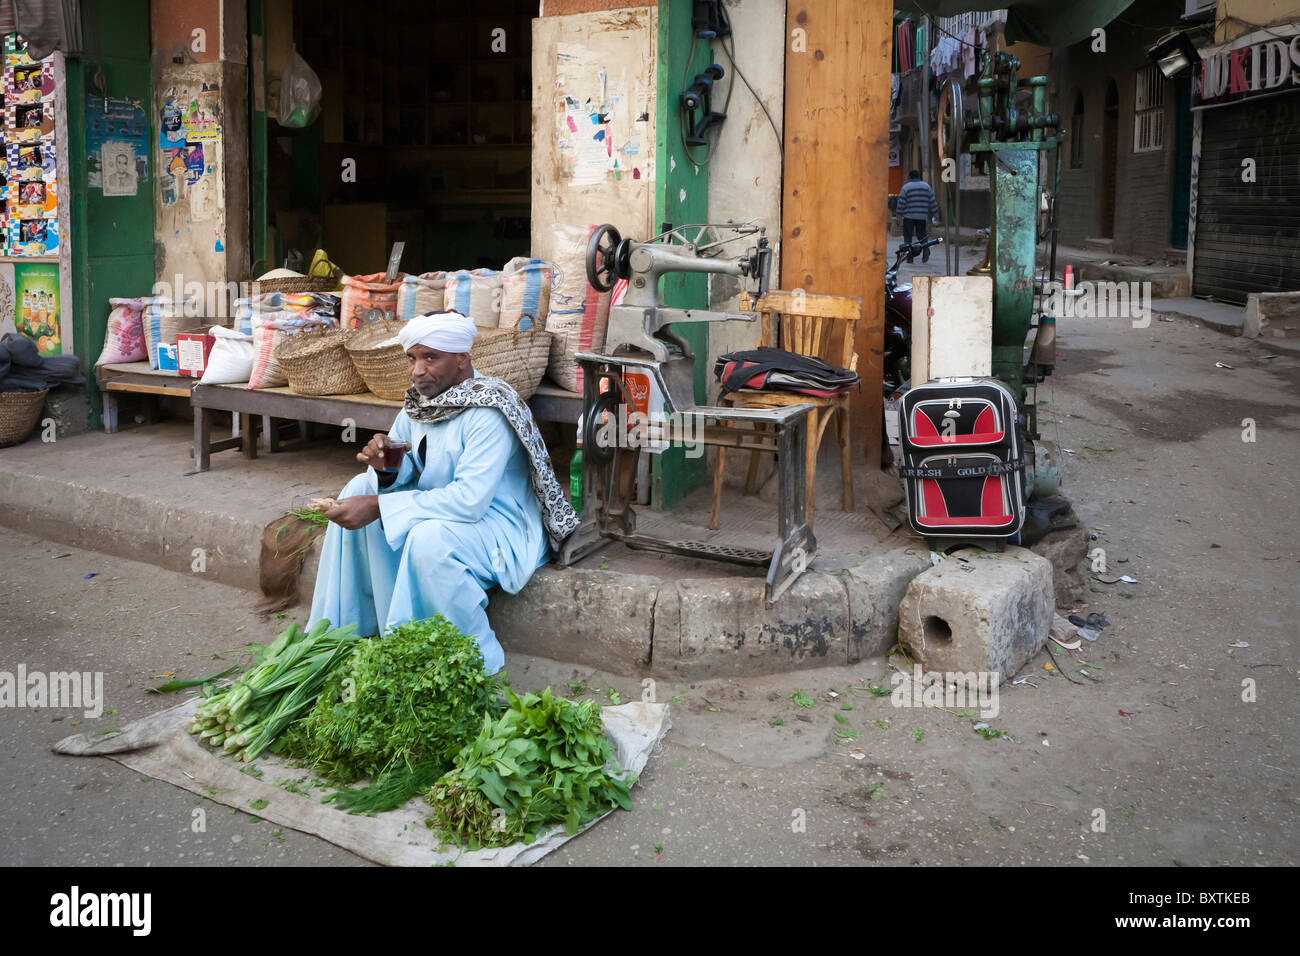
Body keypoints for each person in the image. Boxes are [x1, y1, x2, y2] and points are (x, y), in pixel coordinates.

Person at [309, 311, 579, 674]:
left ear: (462, 359)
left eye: (430, 358)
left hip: (501, 525)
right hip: (445, 512)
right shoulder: (420, 403)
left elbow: (469, 501)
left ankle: (474, 664)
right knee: (357, 486)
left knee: (429, 538)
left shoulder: (490, 409)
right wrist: (387, 467)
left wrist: (379, 505)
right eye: (412, 358)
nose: (417, 370)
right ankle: (354, 630)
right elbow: (409, 469)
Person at [896, 169, 940, 262]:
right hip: (922, 216)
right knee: (921, 235)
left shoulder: (906, 187)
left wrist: (898, 217)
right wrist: (936, 214)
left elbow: (901, 203)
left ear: (910, 177)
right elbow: (932, 201)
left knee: (908, 237)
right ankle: (926, 249)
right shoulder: (926, 187)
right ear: (919, 176)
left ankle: (909, 257)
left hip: (909, 216)